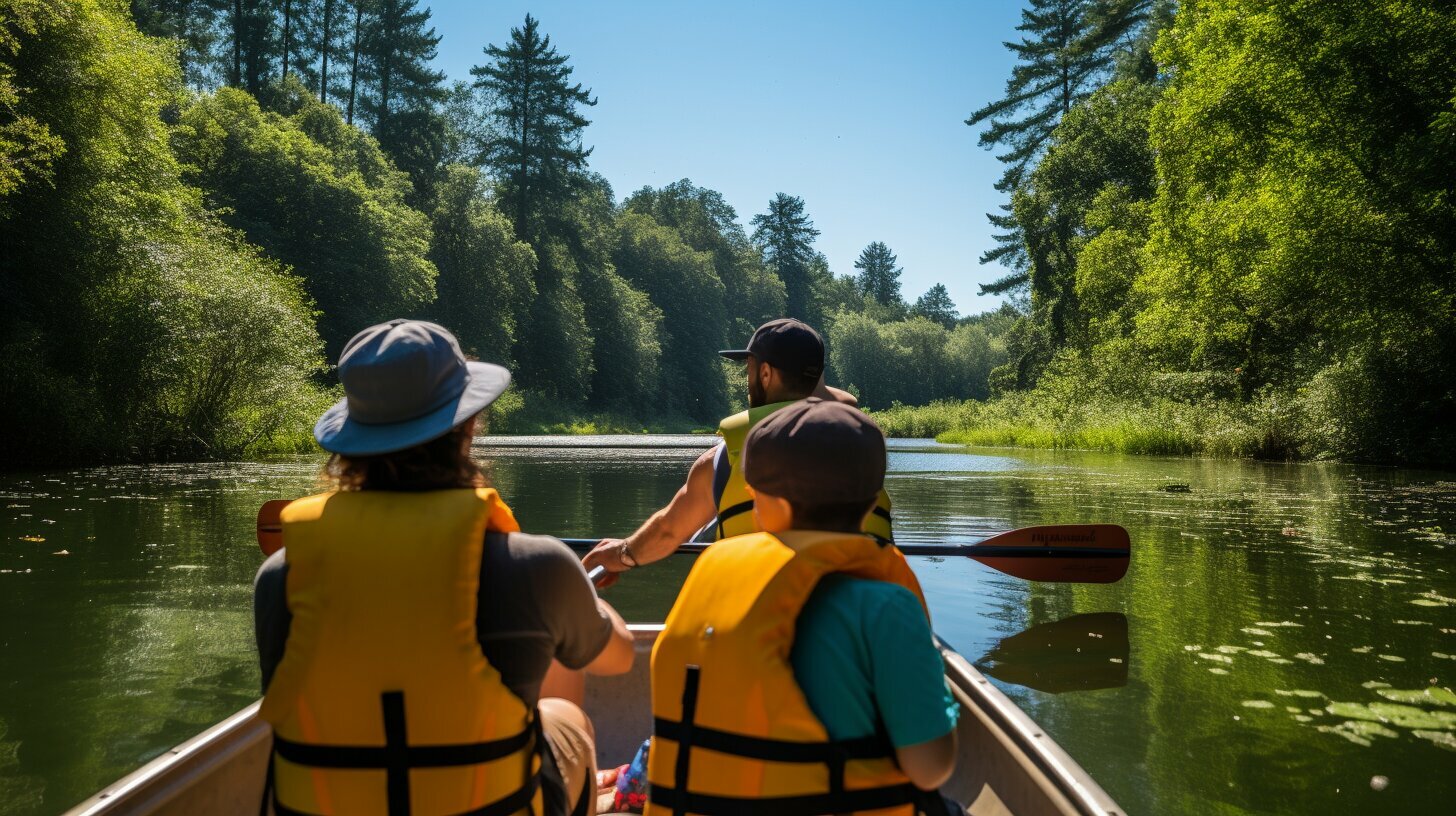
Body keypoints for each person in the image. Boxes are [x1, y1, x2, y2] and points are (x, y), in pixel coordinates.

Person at [253, 319, 634, 816]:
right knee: (562, 716)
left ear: (352, 439)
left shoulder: (281, 574)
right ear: (468, 426)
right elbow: (620, 657)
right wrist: (587, 599)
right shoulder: (535, 566)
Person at [645, 399, 959, 816]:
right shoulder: (888, 608)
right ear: (871, 504)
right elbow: (931, 769)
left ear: (771, 506)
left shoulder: (714, 574)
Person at [583, 318, 893, 587]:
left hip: (763, 607)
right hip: (869, 610)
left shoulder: (724, 456)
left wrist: (622, 553)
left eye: (750, 369)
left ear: (766, 375)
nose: (748, 381)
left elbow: (667, 532)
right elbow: (844, 401)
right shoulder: (857, 445)